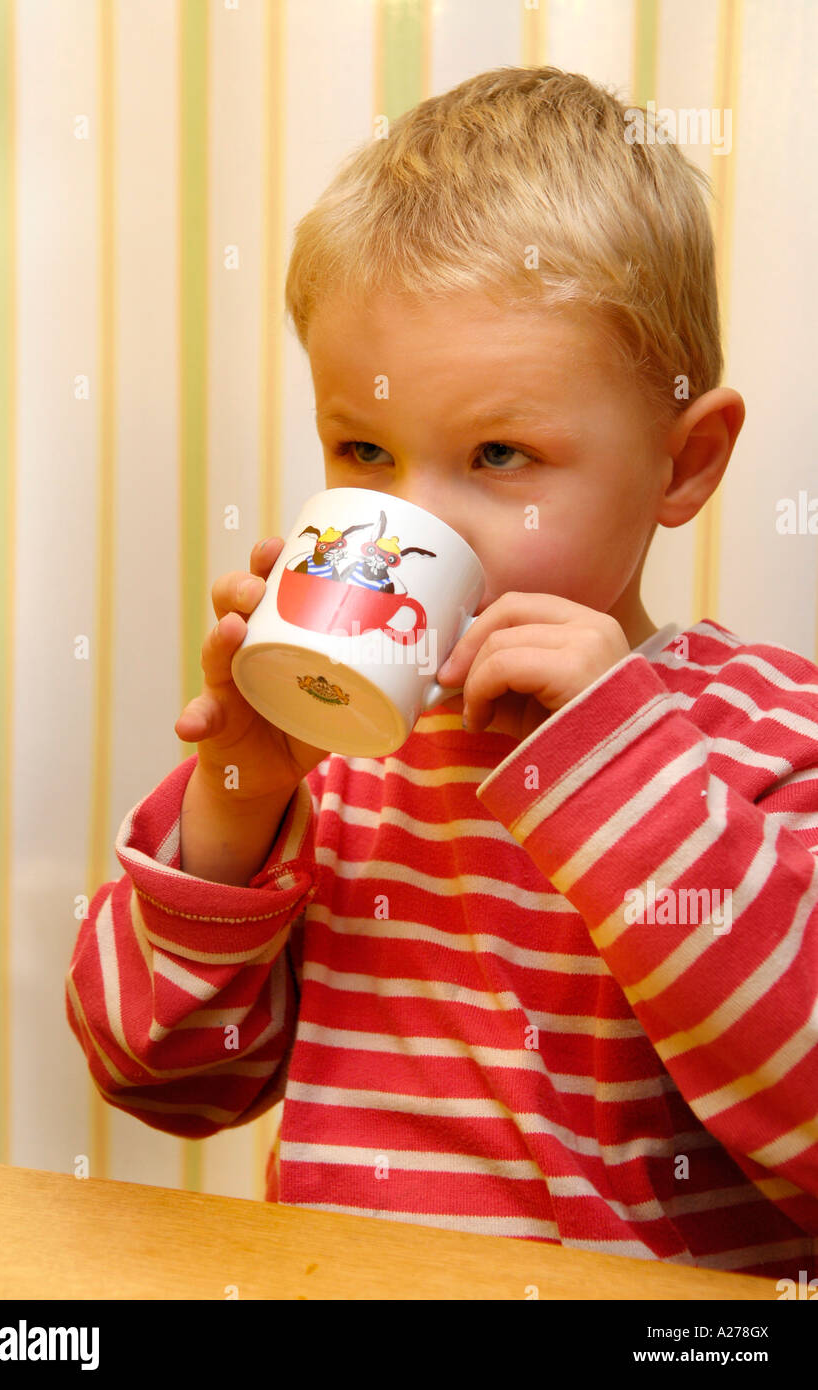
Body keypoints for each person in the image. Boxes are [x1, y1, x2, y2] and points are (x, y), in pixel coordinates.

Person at [66, 67, 818, 1281]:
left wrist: (621, 771)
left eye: (500, 453)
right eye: (363, 448)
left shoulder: (770, 741)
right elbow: (161, 1076)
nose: (410, 519)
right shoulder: (355, 760)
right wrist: (237, 803)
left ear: (686, 464)